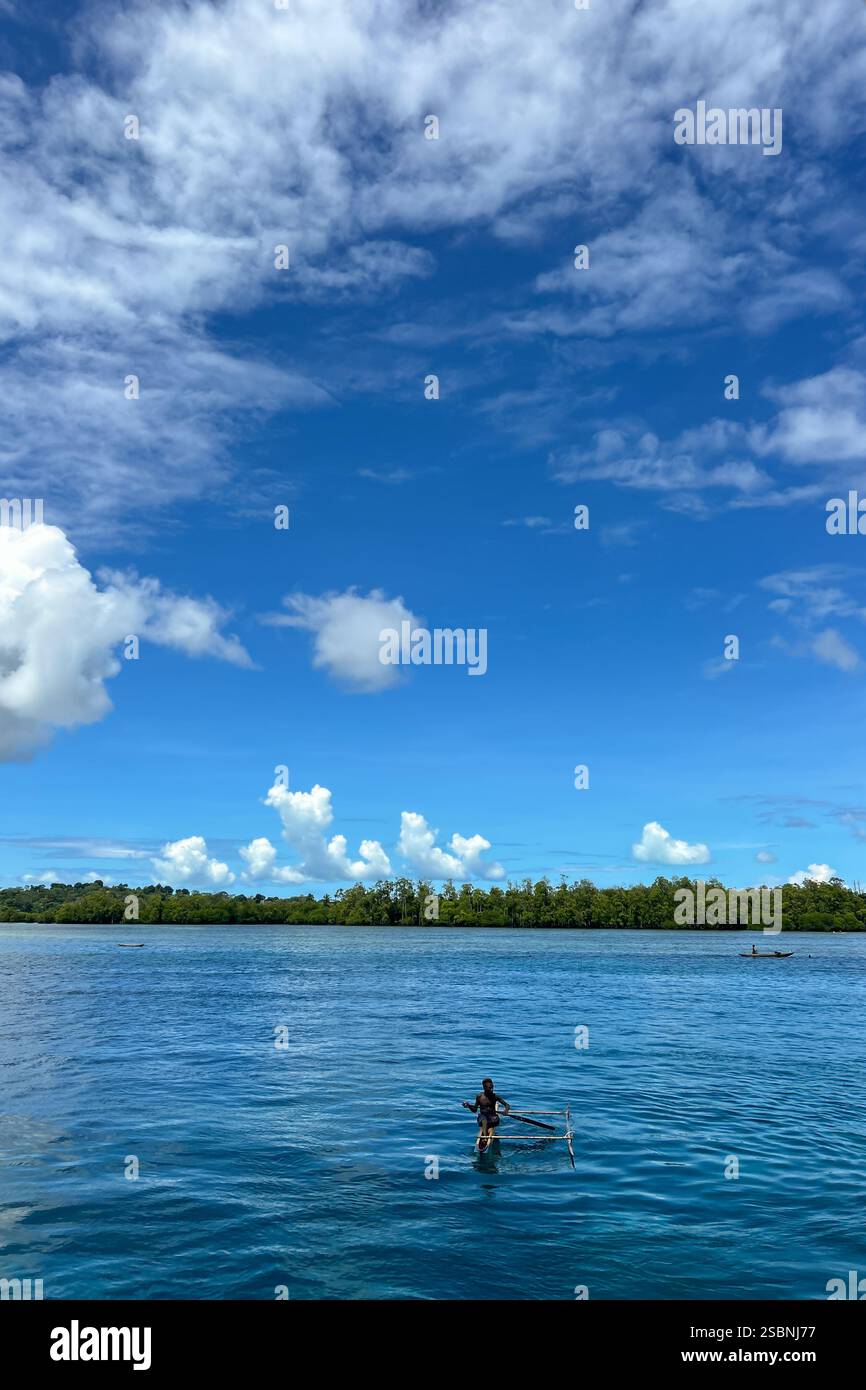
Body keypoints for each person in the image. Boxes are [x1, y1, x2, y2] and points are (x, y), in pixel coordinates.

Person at [463, 1077, 509, 1142]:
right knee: (484, 1120)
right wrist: (469, 1106)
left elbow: (507, 1105)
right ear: (484, 1088)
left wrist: (506, 1111)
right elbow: (475, 1110)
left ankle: (486, 1136)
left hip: (493, 1117)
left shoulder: (495, 1096)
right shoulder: (479, 1096)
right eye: (489, 1088)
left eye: (491, 1088)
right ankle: (485, 1138)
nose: (491, 1090)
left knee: (487, 1121)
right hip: (482, 1117)